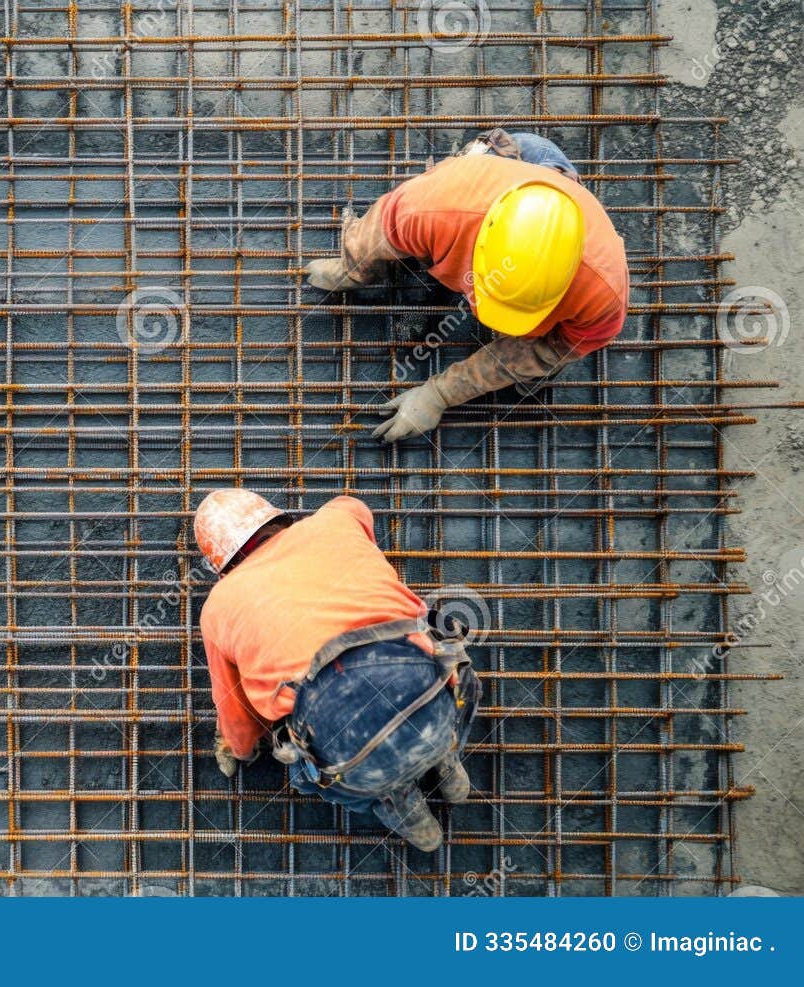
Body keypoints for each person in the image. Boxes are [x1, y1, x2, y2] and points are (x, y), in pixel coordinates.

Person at [193, 487, 481, 851]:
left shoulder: (218, 609)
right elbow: (356, 510)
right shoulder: (338, 517)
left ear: (222, 568)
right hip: (433, 697)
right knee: (445, 669)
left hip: (355, 758)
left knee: (307, 772)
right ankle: (447, 759)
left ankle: (402, 808)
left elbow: (234, 708)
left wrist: (239, 749)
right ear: (277, 519)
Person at [304, 129, 628, 442]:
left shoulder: (604, 296)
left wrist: (440, 394)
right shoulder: (432, 208)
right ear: (482, 246)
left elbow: (551, 348)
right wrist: (353, 267)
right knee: (408, 244)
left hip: (550, 183)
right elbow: (379, 230)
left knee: (534, 364)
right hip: (505, 169)